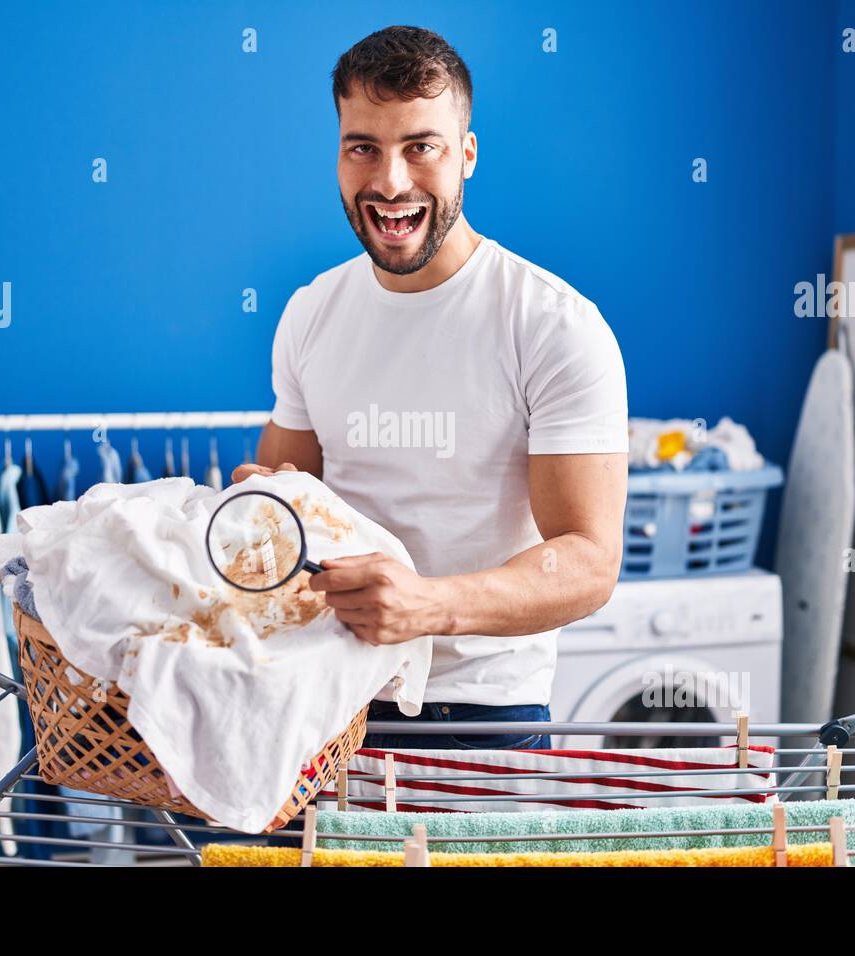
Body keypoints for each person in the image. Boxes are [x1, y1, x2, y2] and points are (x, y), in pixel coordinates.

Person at [232, 26, 629, 751]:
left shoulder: (552, 324)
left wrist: (429, 607)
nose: (389, 181)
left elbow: (589, 560)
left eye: (422, 146)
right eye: (364, 148)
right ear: (339, 156)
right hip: (326, 699)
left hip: (483, 716)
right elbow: (290, 492)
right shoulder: (309, 313)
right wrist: (260, 509)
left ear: (467, 155)